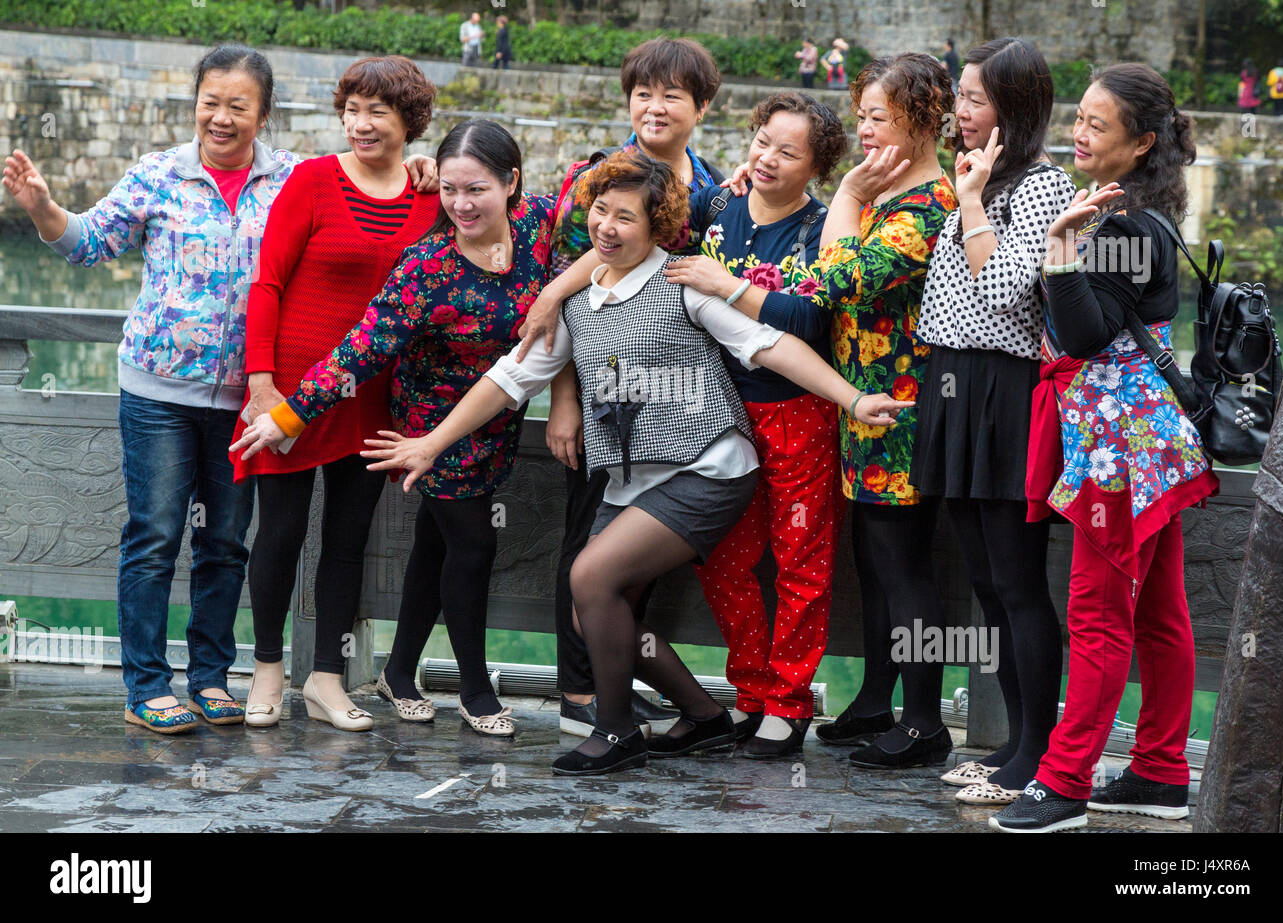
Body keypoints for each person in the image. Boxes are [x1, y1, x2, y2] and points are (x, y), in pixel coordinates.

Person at [348, 152, 913, 776]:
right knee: (587, 611)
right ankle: (704, 716)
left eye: (625, 217)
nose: (608, 227)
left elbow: (771, 346)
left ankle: (616, 733)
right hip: (631, 481)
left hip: (708, 468)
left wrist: (853, 398)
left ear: (656, 227)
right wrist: (431, 443)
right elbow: (508, 378)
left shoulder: (682, 283)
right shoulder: (578, 304)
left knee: (591, 578)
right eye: (600, 211)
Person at [1, 45, 294, 734]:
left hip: (247, 400)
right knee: (156, 535)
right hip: (158, 390)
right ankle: (146, 684)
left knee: (225, 539)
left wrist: (424, 171)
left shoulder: (293, 182)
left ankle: (212, 676)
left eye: (237, 106)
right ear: (194, 103)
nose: (220, 118)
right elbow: (87, 243)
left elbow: (355, 211)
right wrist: (44, 208)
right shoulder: (159, 175)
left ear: (264, 113)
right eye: (209, 103)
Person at [232, 119, 557, 738]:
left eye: (477, 190)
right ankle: (475, 690)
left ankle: (400, 670)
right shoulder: (425, 266)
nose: (460, 205)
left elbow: (612, 208)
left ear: (512, 183)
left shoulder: (541, 226)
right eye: (451, 190)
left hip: (497, 420)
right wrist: (289, 413)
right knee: (472, 544)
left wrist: (558, 290)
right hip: (428, 424)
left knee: (436, 541)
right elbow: (362, 349)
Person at [991, 63, 1219, 832]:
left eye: (1097, 124)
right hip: (1149, 442)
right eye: (1078, 118)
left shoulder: (1123, 228)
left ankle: (1064, 782)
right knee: (1159, 610)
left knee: (1096, 613)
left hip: (1119, 452)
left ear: (1141, 142)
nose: (1077, 134)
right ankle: (1159, 767)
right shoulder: (1142, 218)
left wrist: (1059, 246)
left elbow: (1084, 335)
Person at [761, 53, 959, 769]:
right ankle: (876, 696)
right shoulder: (886, 198)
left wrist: (842, 194)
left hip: (900, 412)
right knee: (874, 562)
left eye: (877, 117)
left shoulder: (927, 207)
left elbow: (832, 281)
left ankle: (926, 718)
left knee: (903, 566)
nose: (865, 130)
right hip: (864, 410)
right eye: (862, 116)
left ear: (919, 121)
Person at [231, 56, 440, 730]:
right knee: (282, 531)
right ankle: (267, 668)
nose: (360, 123)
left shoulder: (429, 194)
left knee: (348, 539)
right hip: (293, 389)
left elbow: (497, 225)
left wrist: (438, 168)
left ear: (408, 120)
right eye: (351, 108)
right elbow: (267, 284)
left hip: (375, 396)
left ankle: (325, 676)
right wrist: (262, 386)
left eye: (377, 110)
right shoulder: (313, 180)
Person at [543, 37, 727, 739]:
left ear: (701, 107)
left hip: (681, 407)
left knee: (635, 563)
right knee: (587, 546)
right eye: (643, 93)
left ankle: (617, 685)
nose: (655, 107)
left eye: (672, 95)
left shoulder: (710, 191)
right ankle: (580, 693)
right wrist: (564, 399)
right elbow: (557, 296)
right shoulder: (597, 178)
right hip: (610, 397)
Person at [654, 92, 846, 757]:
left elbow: (811, 319)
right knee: (726, 561)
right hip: (717, 411)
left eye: (787, 151)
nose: (765, 157)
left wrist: (725, 283)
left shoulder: (824, 228)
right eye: (762, 140)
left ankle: (790, 702)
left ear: (816, 165)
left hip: (796, 411)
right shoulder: (715, 208)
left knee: (800, 560)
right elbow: (628, 221)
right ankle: (752, 689)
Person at [909, 37, 1077, 803]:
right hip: (954, 383)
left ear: (1015, 106)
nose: (960, 111)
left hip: (1004, 392)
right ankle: (1018, 741)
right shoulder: (979, 174)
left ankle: (1040, 755)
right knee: (985, 578)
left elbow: (1008, 290)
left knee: (1017, 581)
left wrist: (971, 199)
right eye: (960, 97)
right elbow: (944, 298)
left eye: (974, 98)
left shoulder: (1041, 185)